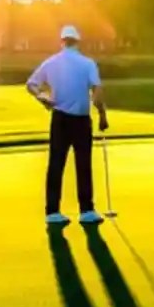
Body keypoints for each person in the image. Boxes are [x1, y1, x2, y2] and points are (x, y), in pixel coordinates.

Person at [26, 25, 110, 226]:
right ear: (78, 41)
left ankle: (52, 211)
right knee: (83, 165)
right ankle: (86, 210)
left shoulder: (51, 62)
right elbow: (97, 93)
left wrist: (43, 98)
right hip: (81, 120)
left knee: (56, 164)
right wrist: (102, 116)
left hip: (60, 119)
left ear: (62, 41)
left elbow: (31, 84)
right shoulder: (87, 63)